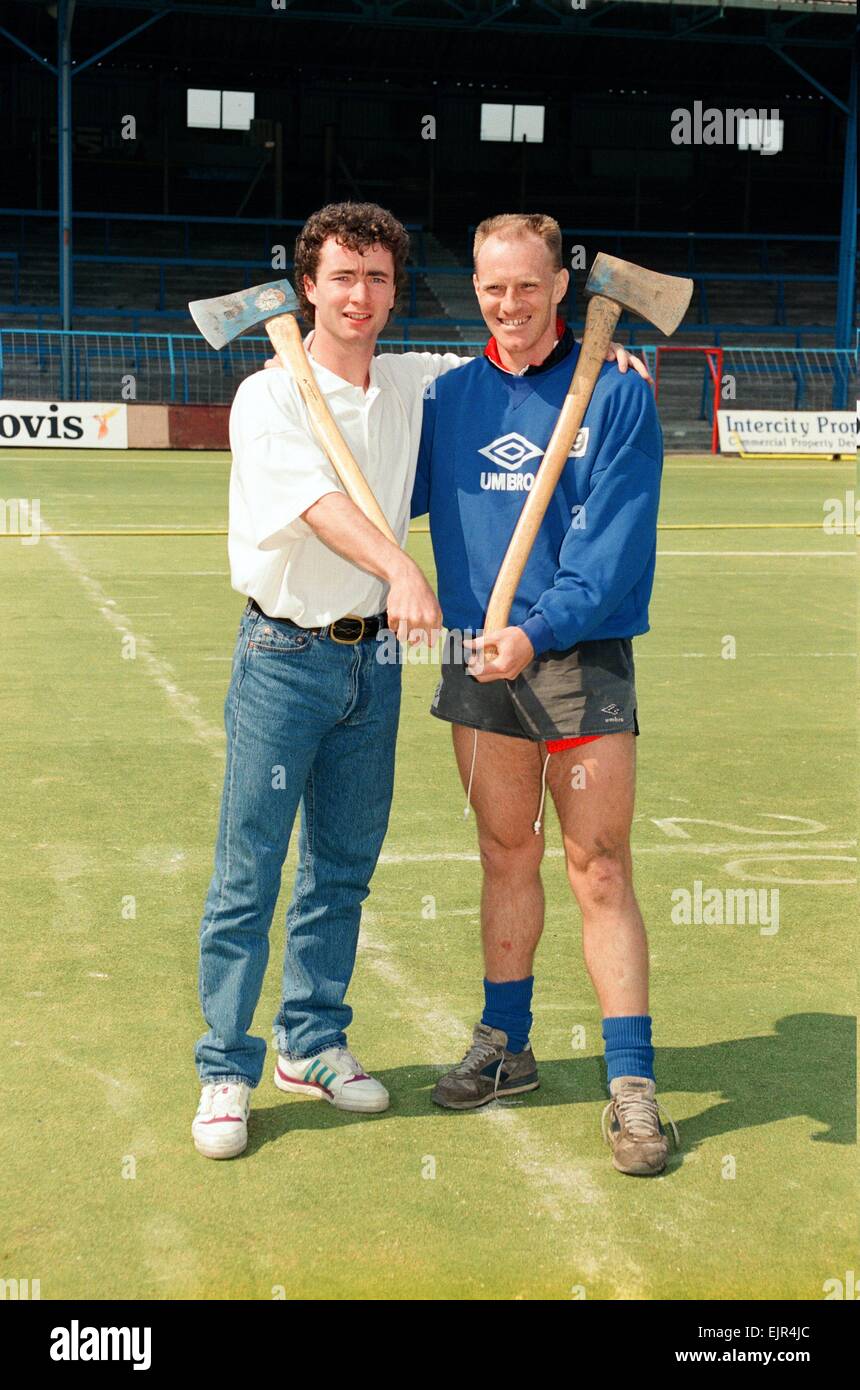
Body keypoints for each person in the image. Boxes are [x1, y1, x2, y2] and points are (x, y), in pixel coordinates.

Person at [194, 200, 646, 1160]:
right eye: (342, 277)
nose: (360, 295)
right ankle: (224, 1068)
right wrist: (405, 569)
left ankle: (311, 1042)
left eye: (379, 278)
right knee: (251, 872)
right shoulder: (270, 395)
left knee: (347, 870)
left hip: (395, 662)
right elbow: (318, 503)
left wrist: (605, 363)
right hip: (287, 655)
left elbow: (530, 378)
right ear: (306, 287)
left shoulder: (421, 385)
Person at [413, 213, 679, 1176]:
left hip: (574, 657)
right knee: (501, 852)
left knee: (599, 866)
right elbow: (377, 477)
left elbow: (614, 556)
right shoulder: (448, 398)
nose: (510, 306)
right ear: (475, 290)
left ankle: (633, 1086)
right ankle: (505, 1044)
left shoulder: (615, 397)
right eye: (492, 289)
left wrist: (539, 631)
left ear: (563, 284)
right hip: (476, 657)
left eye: (527, 286)